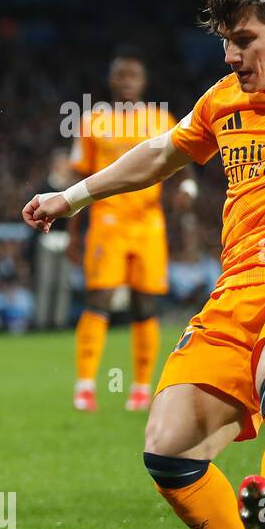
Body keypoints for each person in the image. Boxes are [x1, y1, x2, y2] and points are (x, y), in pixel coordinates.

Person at [23, 0, 265, 529]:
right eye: (226, 43)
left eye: (245, 41)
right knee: (168, 446)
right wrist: (71, 195)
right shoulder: (223, 101)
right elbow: (159, 155)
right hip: (234, 291)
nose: (234, 57)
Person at [67, 51, 176, 412]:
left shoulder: (161, 119)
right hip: (107, 223)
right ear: (112, 81)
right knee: (98, 300)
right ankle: (85, 386)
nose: (127, 81)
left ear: (143, 82)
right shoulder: (93, 120)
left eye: (134, 75)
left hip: (148, 224)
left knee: (145, 304)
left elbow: (184, 163)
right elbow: (78, 177)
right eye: (121, 75)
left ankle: (141, 388)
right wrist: (72, 232)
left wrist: (188, 193)